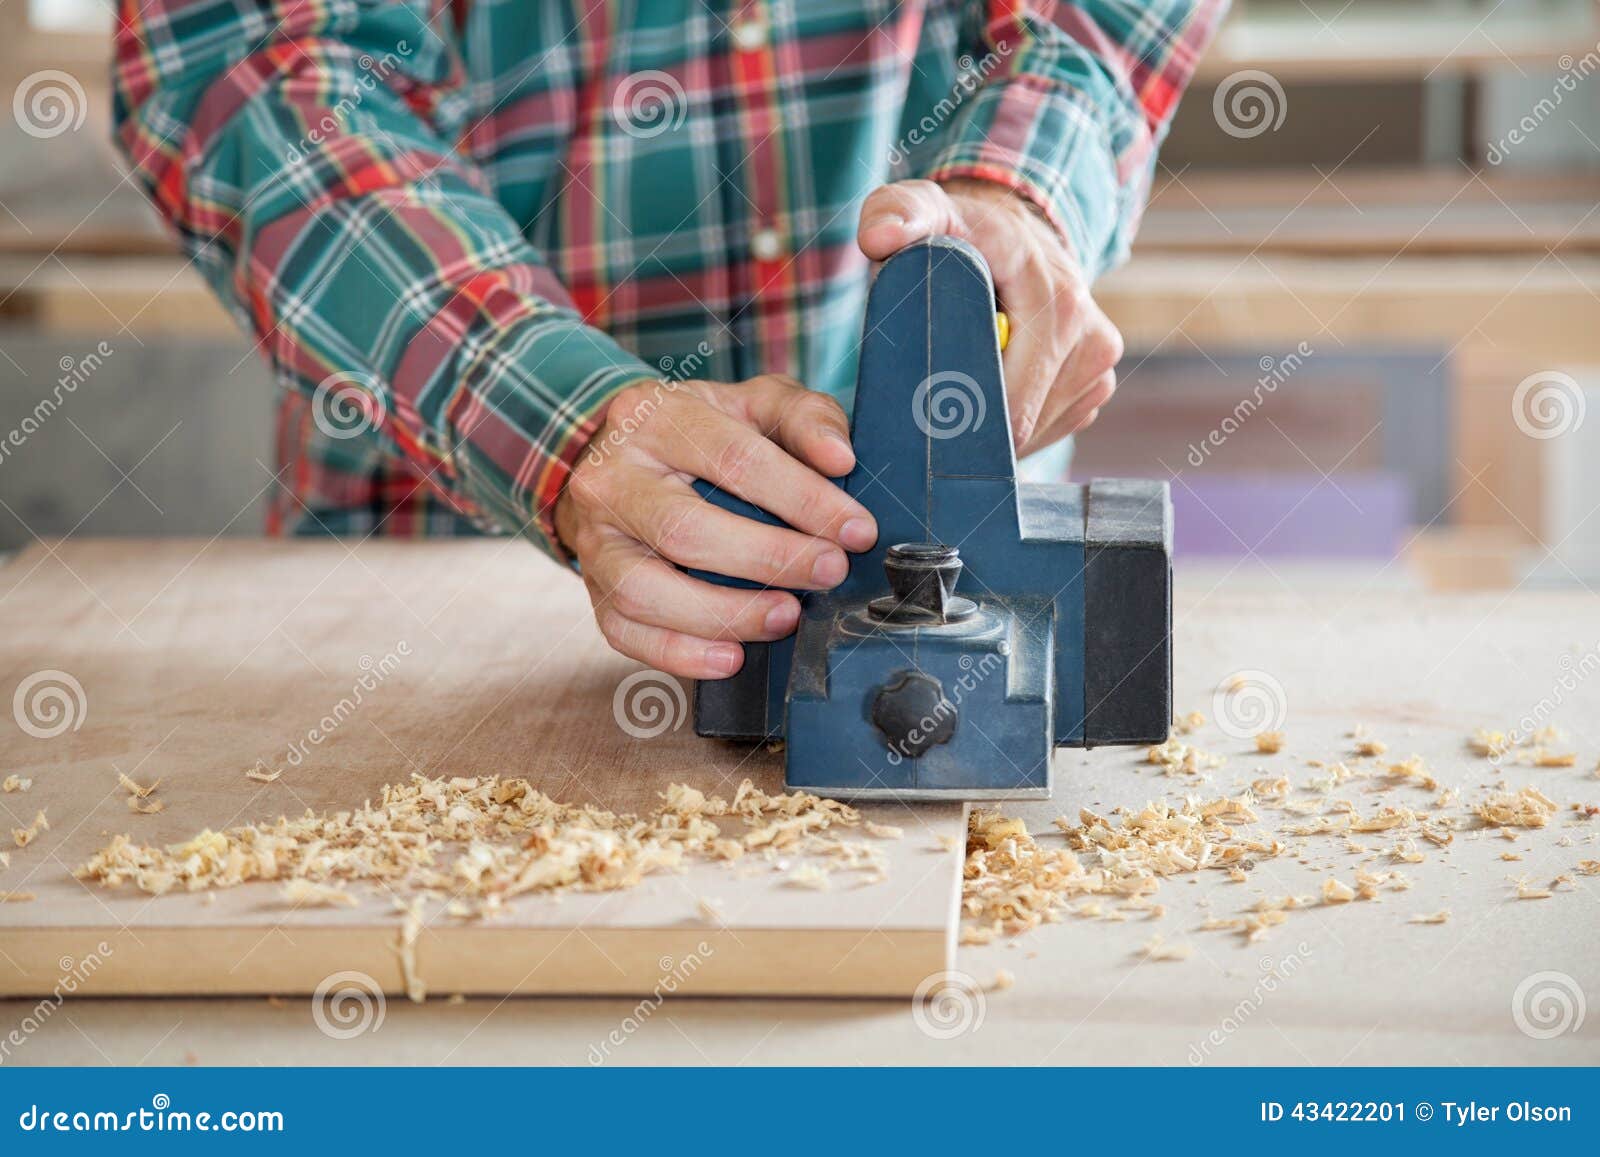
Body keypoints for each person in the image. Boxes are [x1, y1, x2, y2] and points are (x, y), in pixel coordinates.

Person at [114, 0, 1226, 677]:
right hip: (436, 562)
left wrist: (1027, 178)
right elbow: (240, 59)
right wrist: (557, 413)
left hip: (966, 557)